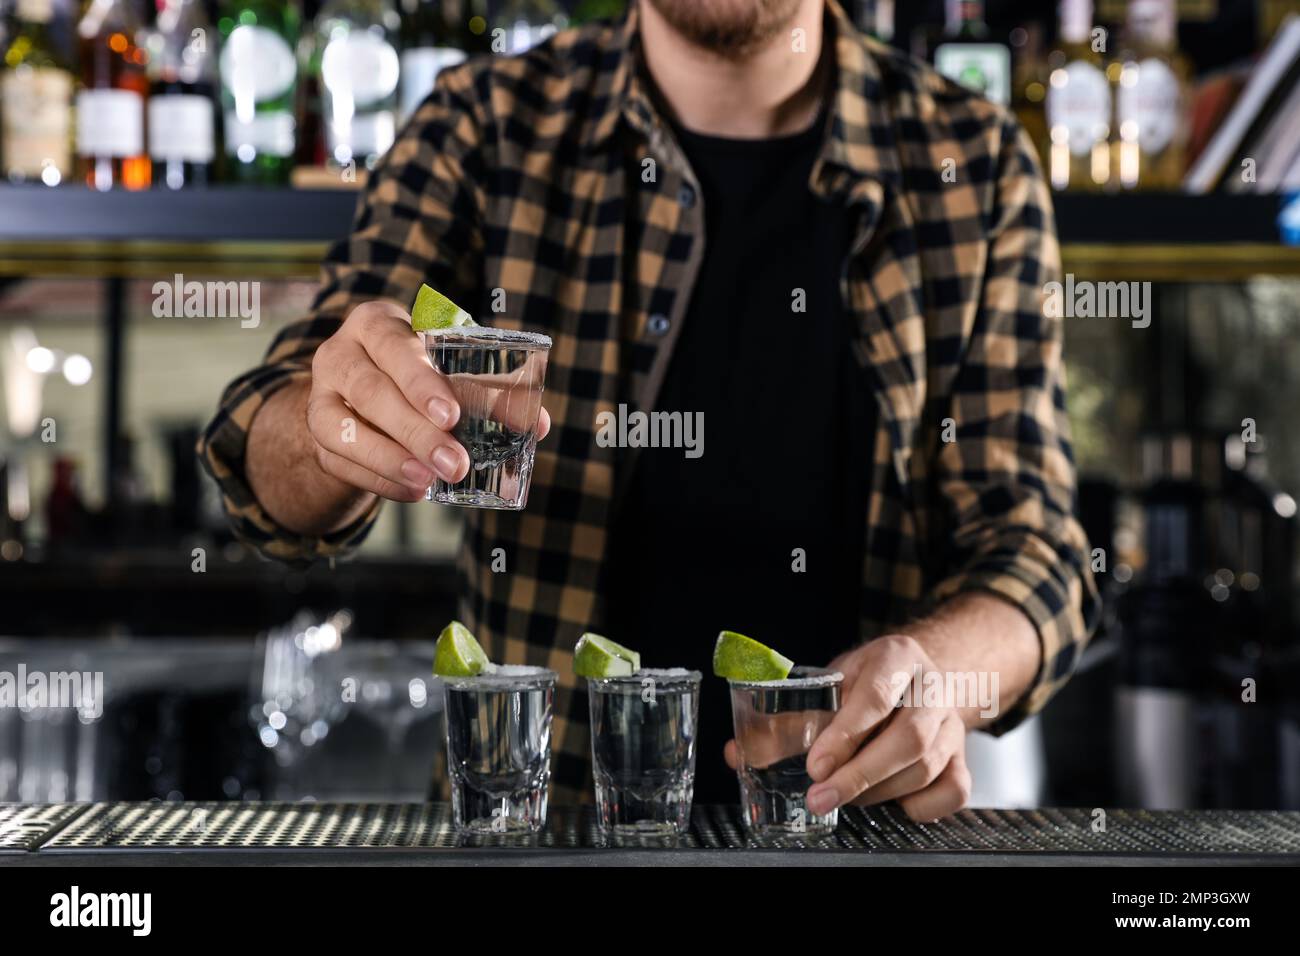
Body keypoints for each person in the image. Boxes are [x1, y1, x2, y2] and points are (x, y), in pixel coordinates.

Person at [200, 0, 1100, 821]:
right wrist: (336, 428)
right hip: (539, 838)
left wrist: (935, 673)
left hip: (858, 836)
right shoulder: (484, 123)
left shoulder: (972, 161)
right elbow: (263, 440)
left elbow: (1039, 554)